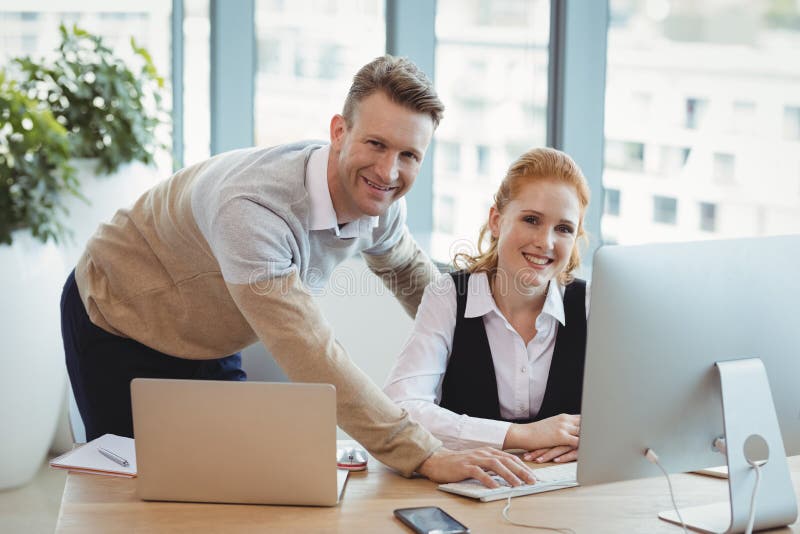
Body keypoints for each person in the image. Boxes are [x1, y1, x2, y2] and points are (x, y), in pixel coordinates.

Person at [60, 54, 535, 488]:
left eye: (409, 155)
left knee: (235, 482)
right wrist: (423, 453)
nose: (390, 171)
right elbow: (311, 351)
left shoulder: (379, 201)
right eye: (376, 143)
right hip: (119, 316)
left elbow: (414, 278)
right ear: (338, 132)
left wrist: (495, 356)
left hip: (209, 329)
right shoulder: (252, 209)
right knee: (132, 493)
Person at [384, 147, 590, 465]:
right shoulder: (449, 296)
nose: (546, 242)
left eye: (563, 229)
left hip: (564, 493)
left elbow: (641, 404)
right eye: (531, 220)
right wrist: (520, 435)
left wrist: (596, 438)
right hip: (469, 487)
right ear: (496, 220)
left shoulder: (592, 305)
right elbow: (402, 405)